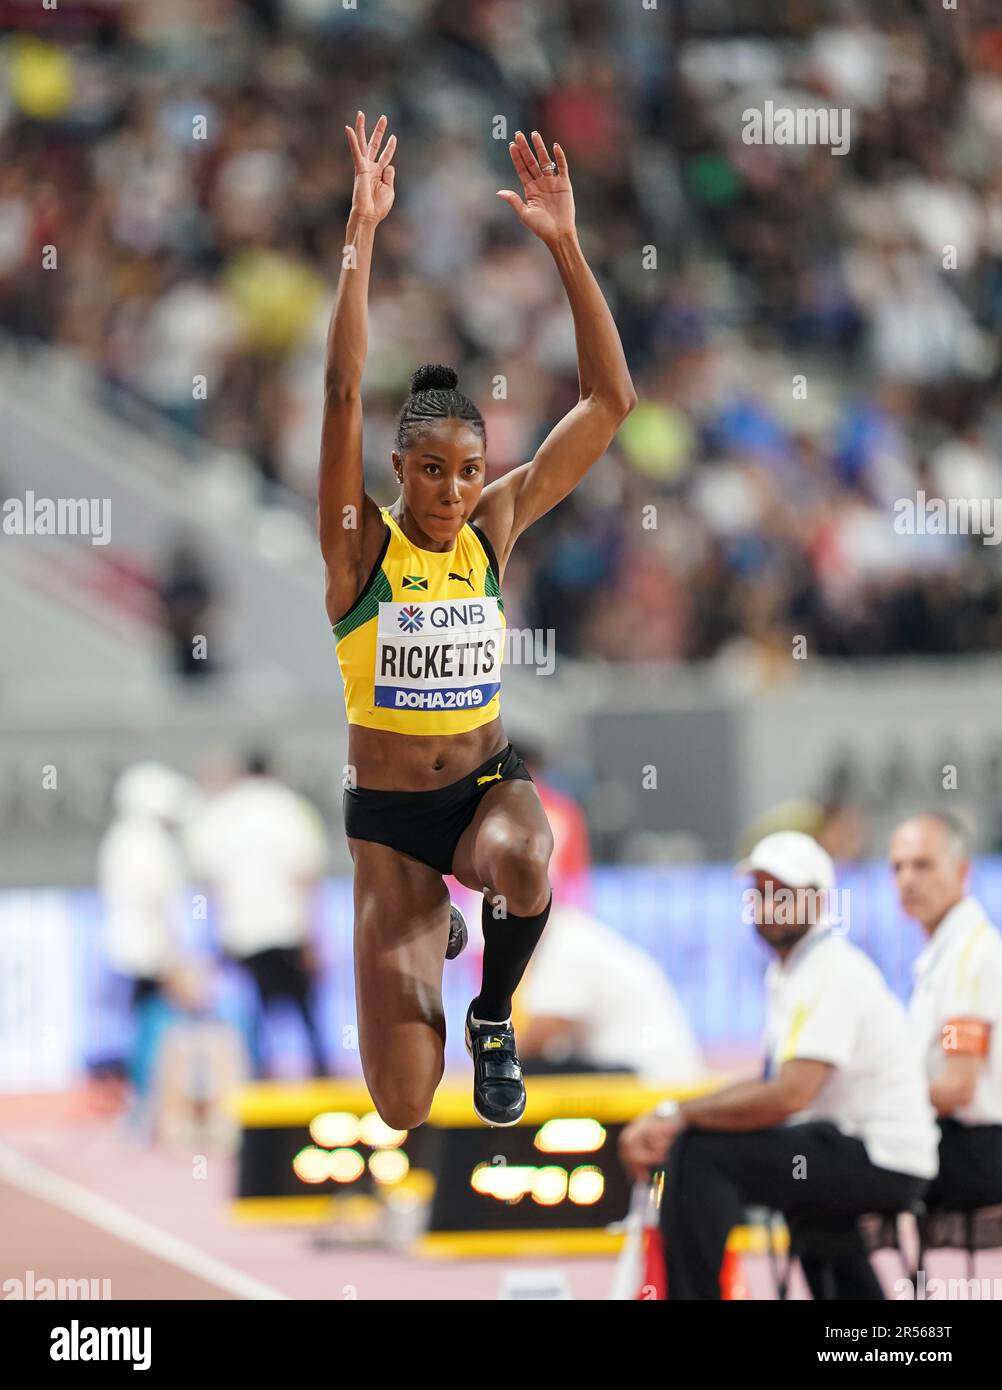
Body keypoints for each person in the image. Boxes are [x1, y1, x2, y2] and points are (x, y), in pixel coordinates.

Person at [319, 111, 636, 1128]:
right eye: (432, 473)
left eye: (468, 470)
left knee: (528, 860)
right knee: (404, 1106)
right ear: (398, 470)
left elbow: (610, 399)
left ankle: (491, 1013)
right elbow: (337, 389)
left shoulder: (494, 526)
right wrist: (362, 233)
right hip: (393, 825)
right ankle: (443, 933)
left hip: (485, 790)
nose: (455, 491)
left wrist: (565, 245)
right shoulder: (359, 549)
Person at [618, 831, 938, 1300]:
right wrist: (681, 1114)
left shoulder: (830, 971)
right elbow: (774, 1087)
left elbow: (789, 1095)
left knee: (701, 1153)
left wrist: (677, 1116)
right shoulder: (793, 972)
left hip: (880, 1156)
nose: (769, 905)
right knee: (809, 1210)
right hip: (853, 1147)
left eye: (782, 893)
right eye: (760, 892)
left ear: (819, 900)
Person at [186, 752, 330, 1078]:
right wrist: (314, 938)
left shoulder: (220, 812)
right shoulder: (291, 808)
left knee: (254, 1009)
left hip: (240, 931)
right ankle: (321, 1072)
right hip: (288, 926)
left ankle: (257, 1075)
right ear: (273, 772)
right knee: (305, 1007)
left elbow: (206, 879)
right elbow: (307, 877)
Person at [889, 811, 1002, 1209]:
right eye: (897, 867)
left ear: (962, 870)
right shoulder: (944, 955)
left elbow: (957, 1086)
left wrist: (877, 1104)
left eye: (922, 864)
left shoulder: (971, 956)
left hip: (976, 1152)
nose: (907, 879)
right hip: (952, 1140)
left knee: (831, 1176)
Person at [97, 762, 195, 1128]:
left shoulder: (121, 837)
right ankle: (146, 1104)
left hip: (126, 948)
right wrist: (173, 956)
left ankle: (145, 1102)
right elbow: (159, 905)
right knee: (153, 1027)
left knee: (141, 1024)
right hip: (148, 951)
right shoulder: (150, 844)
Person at [519, 899, 705, 1086]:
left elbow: (538, 1040)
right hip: (653, 1071)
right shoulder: (574, 933)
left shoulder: (566, 942)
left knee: (517, 1073)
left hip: (645, 1074)